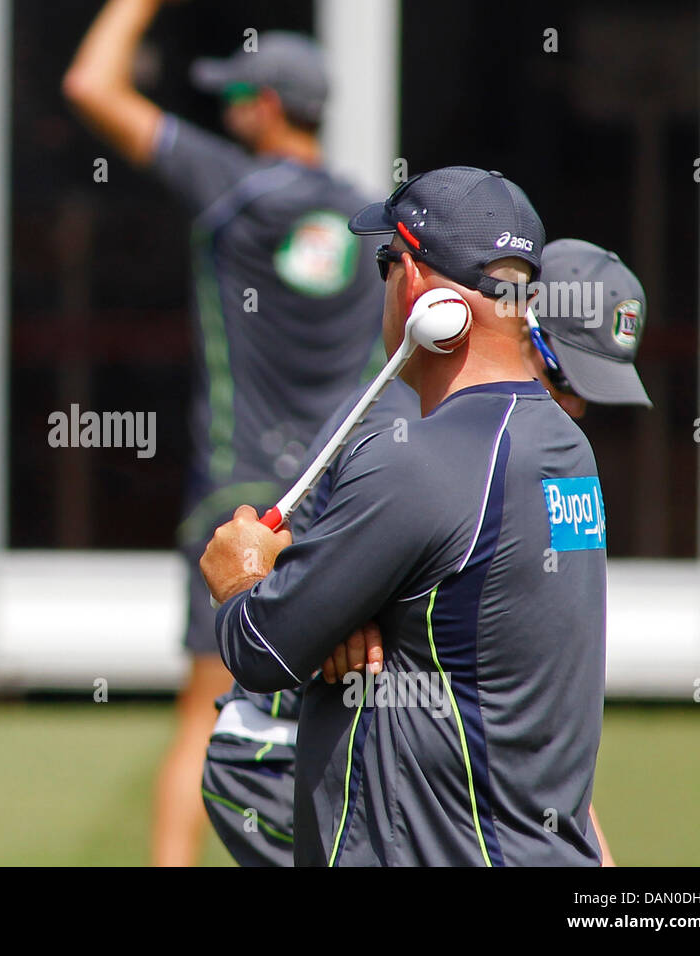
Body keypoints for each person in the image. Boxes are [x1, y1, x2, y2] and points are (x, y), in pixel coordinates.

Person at [202, 166, 610, 866]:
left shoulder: (417, 462)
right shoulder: (568, 446)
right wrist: (332, 617)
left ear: (418, 285)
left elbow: (262, 649)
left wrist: (245, 575)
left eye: (386, 265)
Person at [63, 0, 384, 866]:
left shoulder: (234, 187)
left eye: (237, 93)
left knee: (210, 720)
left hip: (246, 503)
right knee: (341, 728)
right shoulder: (373, 218)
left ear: (270, 107)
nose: (226, 107)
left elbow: (90, 83)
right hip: (344, 510)